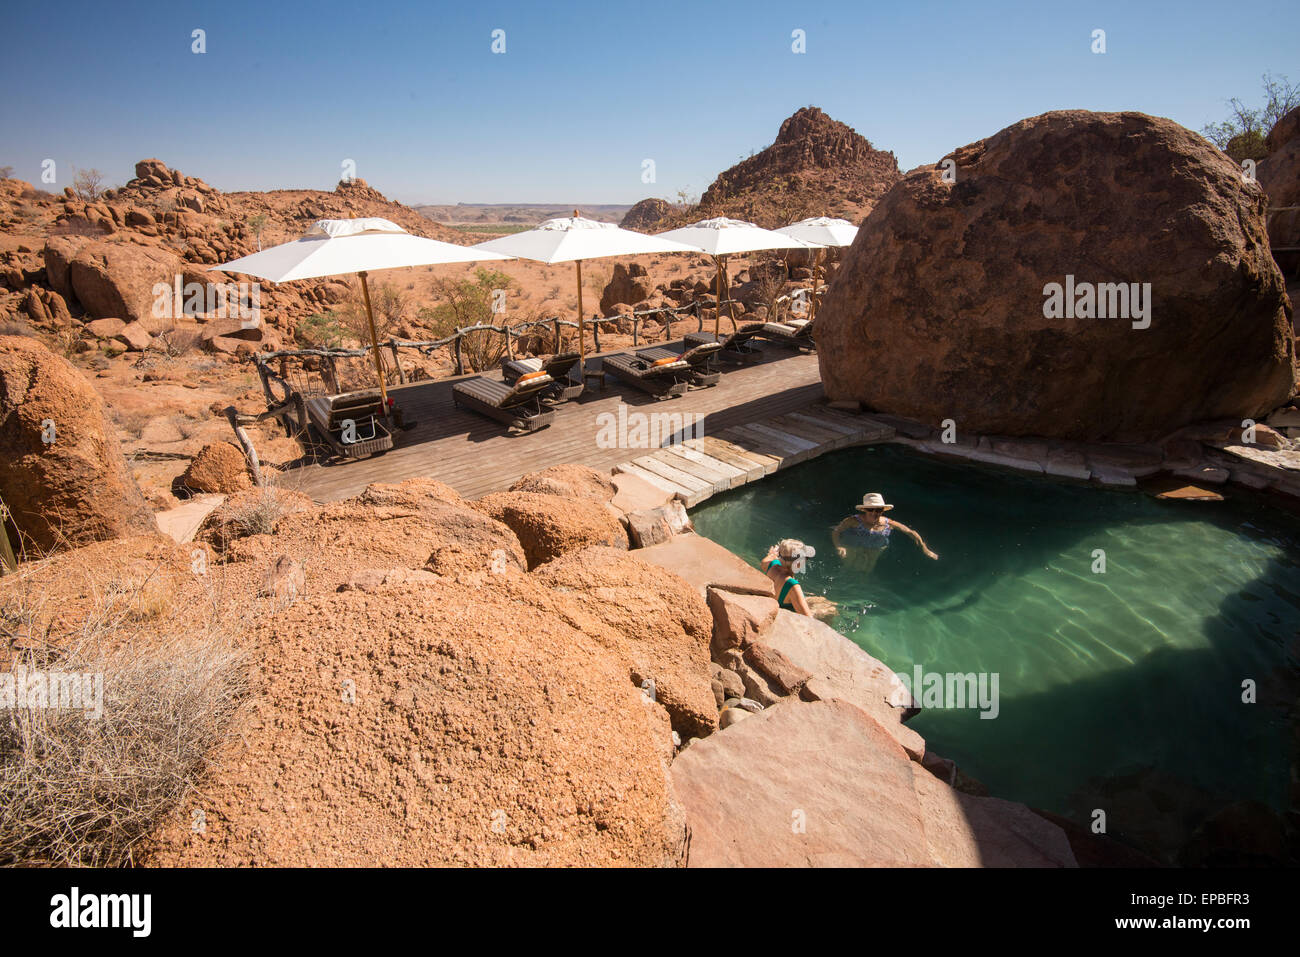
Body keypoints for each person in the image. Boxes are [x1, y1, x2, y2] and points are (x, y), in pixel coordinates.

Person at [833, 492, 938, 573]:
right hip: (855, 544)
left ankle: (862, 584)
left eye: (878, 510)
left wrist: (925, 549)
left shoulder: (888, 523)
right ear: (865, 510)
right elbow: (836, 531)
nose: (874, 513)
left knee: (867, 569)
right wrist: (839, 546)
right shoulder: (853, 521)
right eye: (871, 510)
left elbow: (911, 532)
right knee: (848, 566)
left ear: (882, 511)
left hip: (875, 547)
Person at [760, 539, 814, 617]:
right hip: (786, 615)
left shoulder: (771, 565)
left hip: (776, 603)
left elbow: (765, 561)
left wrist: (773, 554)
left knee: (820, 600)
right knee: (830, 609)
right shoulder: (792, 585)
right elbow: (809, 619)